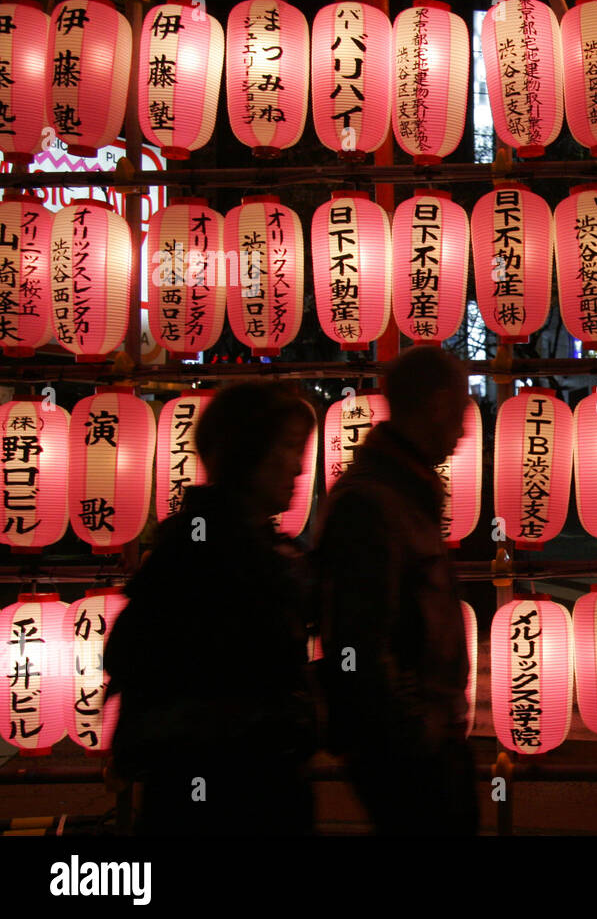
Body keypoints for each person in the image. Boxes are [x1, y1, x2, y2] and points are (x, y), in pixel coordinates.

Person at [104, 382, 318, 836]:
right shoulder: (202, 551)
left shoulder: (259, 546)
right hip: (222, 796)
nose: (300, 468)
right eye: (287, 447)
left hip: (249, 786)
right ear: (247, 452)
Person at [315, 347, 478, 835]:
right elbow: (354, 641)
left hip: (424, 739)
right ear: (437, 403)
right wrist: (415, 729)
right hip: (406, 753)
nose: (465, 430)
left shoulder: (405, 492)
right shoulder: (373, 502)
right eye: (461, 408)